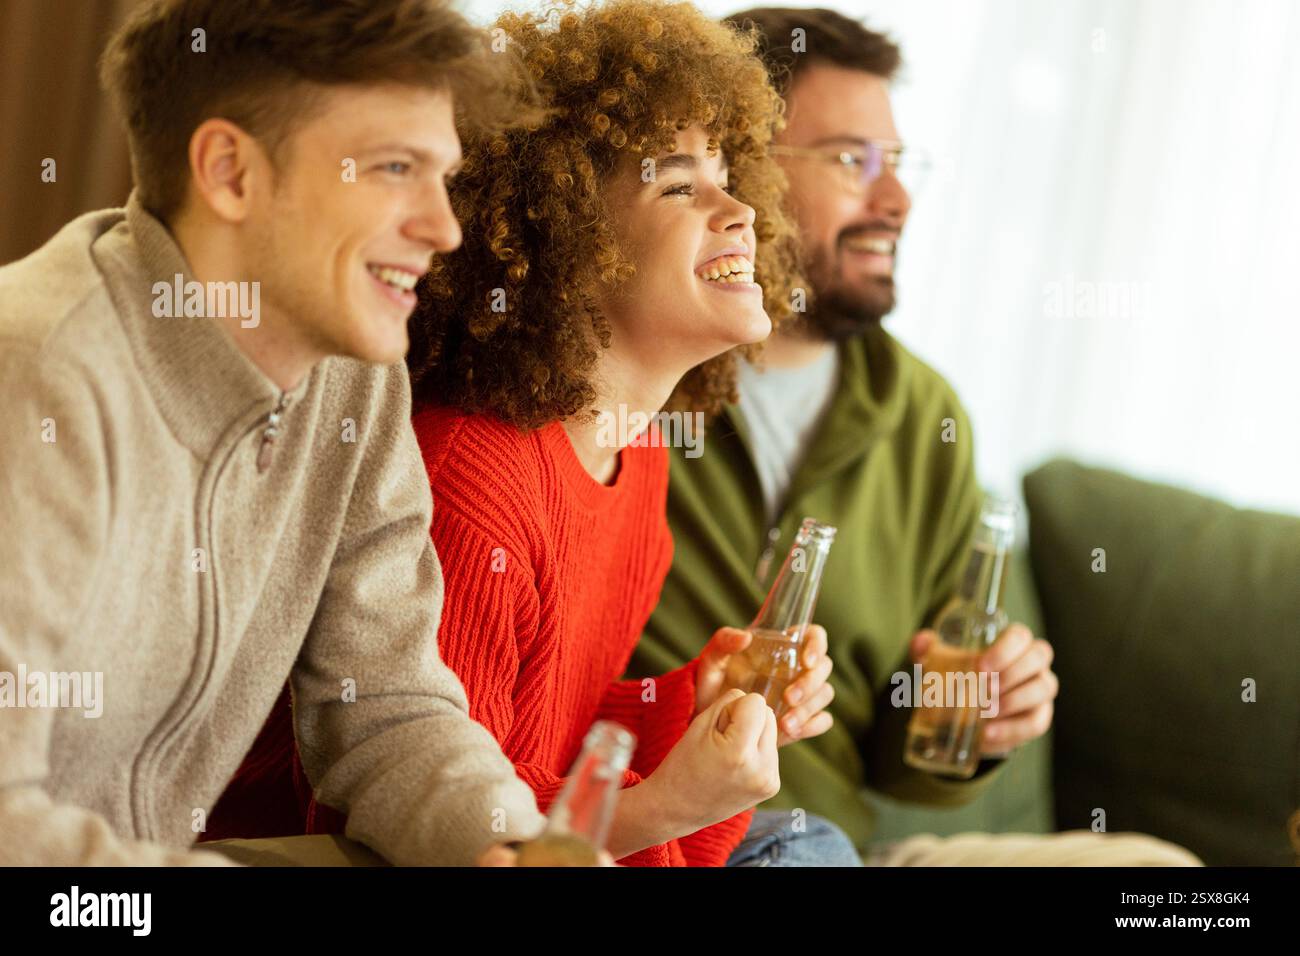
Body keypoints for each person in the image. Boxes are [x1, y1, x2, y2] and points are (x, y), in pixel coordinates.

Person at [631, 7, 1201, 867]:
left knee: (1164, 882)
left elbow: (908, 755)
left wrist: (974, 713)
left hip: (841, 845)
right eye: (853, 160)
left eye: (899, 165)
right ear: (743, 167)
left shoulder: (923, 414)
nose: (894, 199)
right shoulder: (643, 370)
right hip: (669, 828)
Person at [309, 0, 857, 867]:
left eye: (728, 174)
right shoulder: (471, 483)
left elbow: (548, 736)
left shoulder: (639, 458)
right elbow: (448, 816)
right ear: (565, 236)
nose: (740, 209)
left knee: (811, 845)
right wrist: (672, 804)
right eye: (679, 183)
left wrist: (687, 707)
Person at [0, 0, 546, 866]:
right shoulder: (33, 375)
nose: (444, 229)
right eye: (395, 167)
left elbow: (390, 708)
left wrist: (506, 848)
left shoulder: (356, 380)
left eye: (442, 177)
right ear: (230, 172)